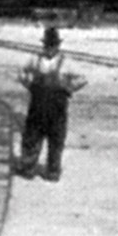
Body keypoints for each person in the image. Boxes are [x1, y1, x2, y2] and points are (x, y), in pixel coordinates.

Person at [14, 25, 87, 181]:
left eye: (52, 45)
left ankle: (53, 171)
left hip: (57, 109)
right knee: (31, 138)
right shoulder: (35, 59)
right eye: (47, 45)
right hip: (37, 107)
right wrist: (29, 85)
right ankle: (28, 168)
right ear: (44, 45)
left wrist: (69, 88)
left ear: (58, 46)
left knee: (56, 140)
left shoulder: (66, 63)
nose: (49, 49)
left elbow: (83, 79)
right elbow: (21, 72)